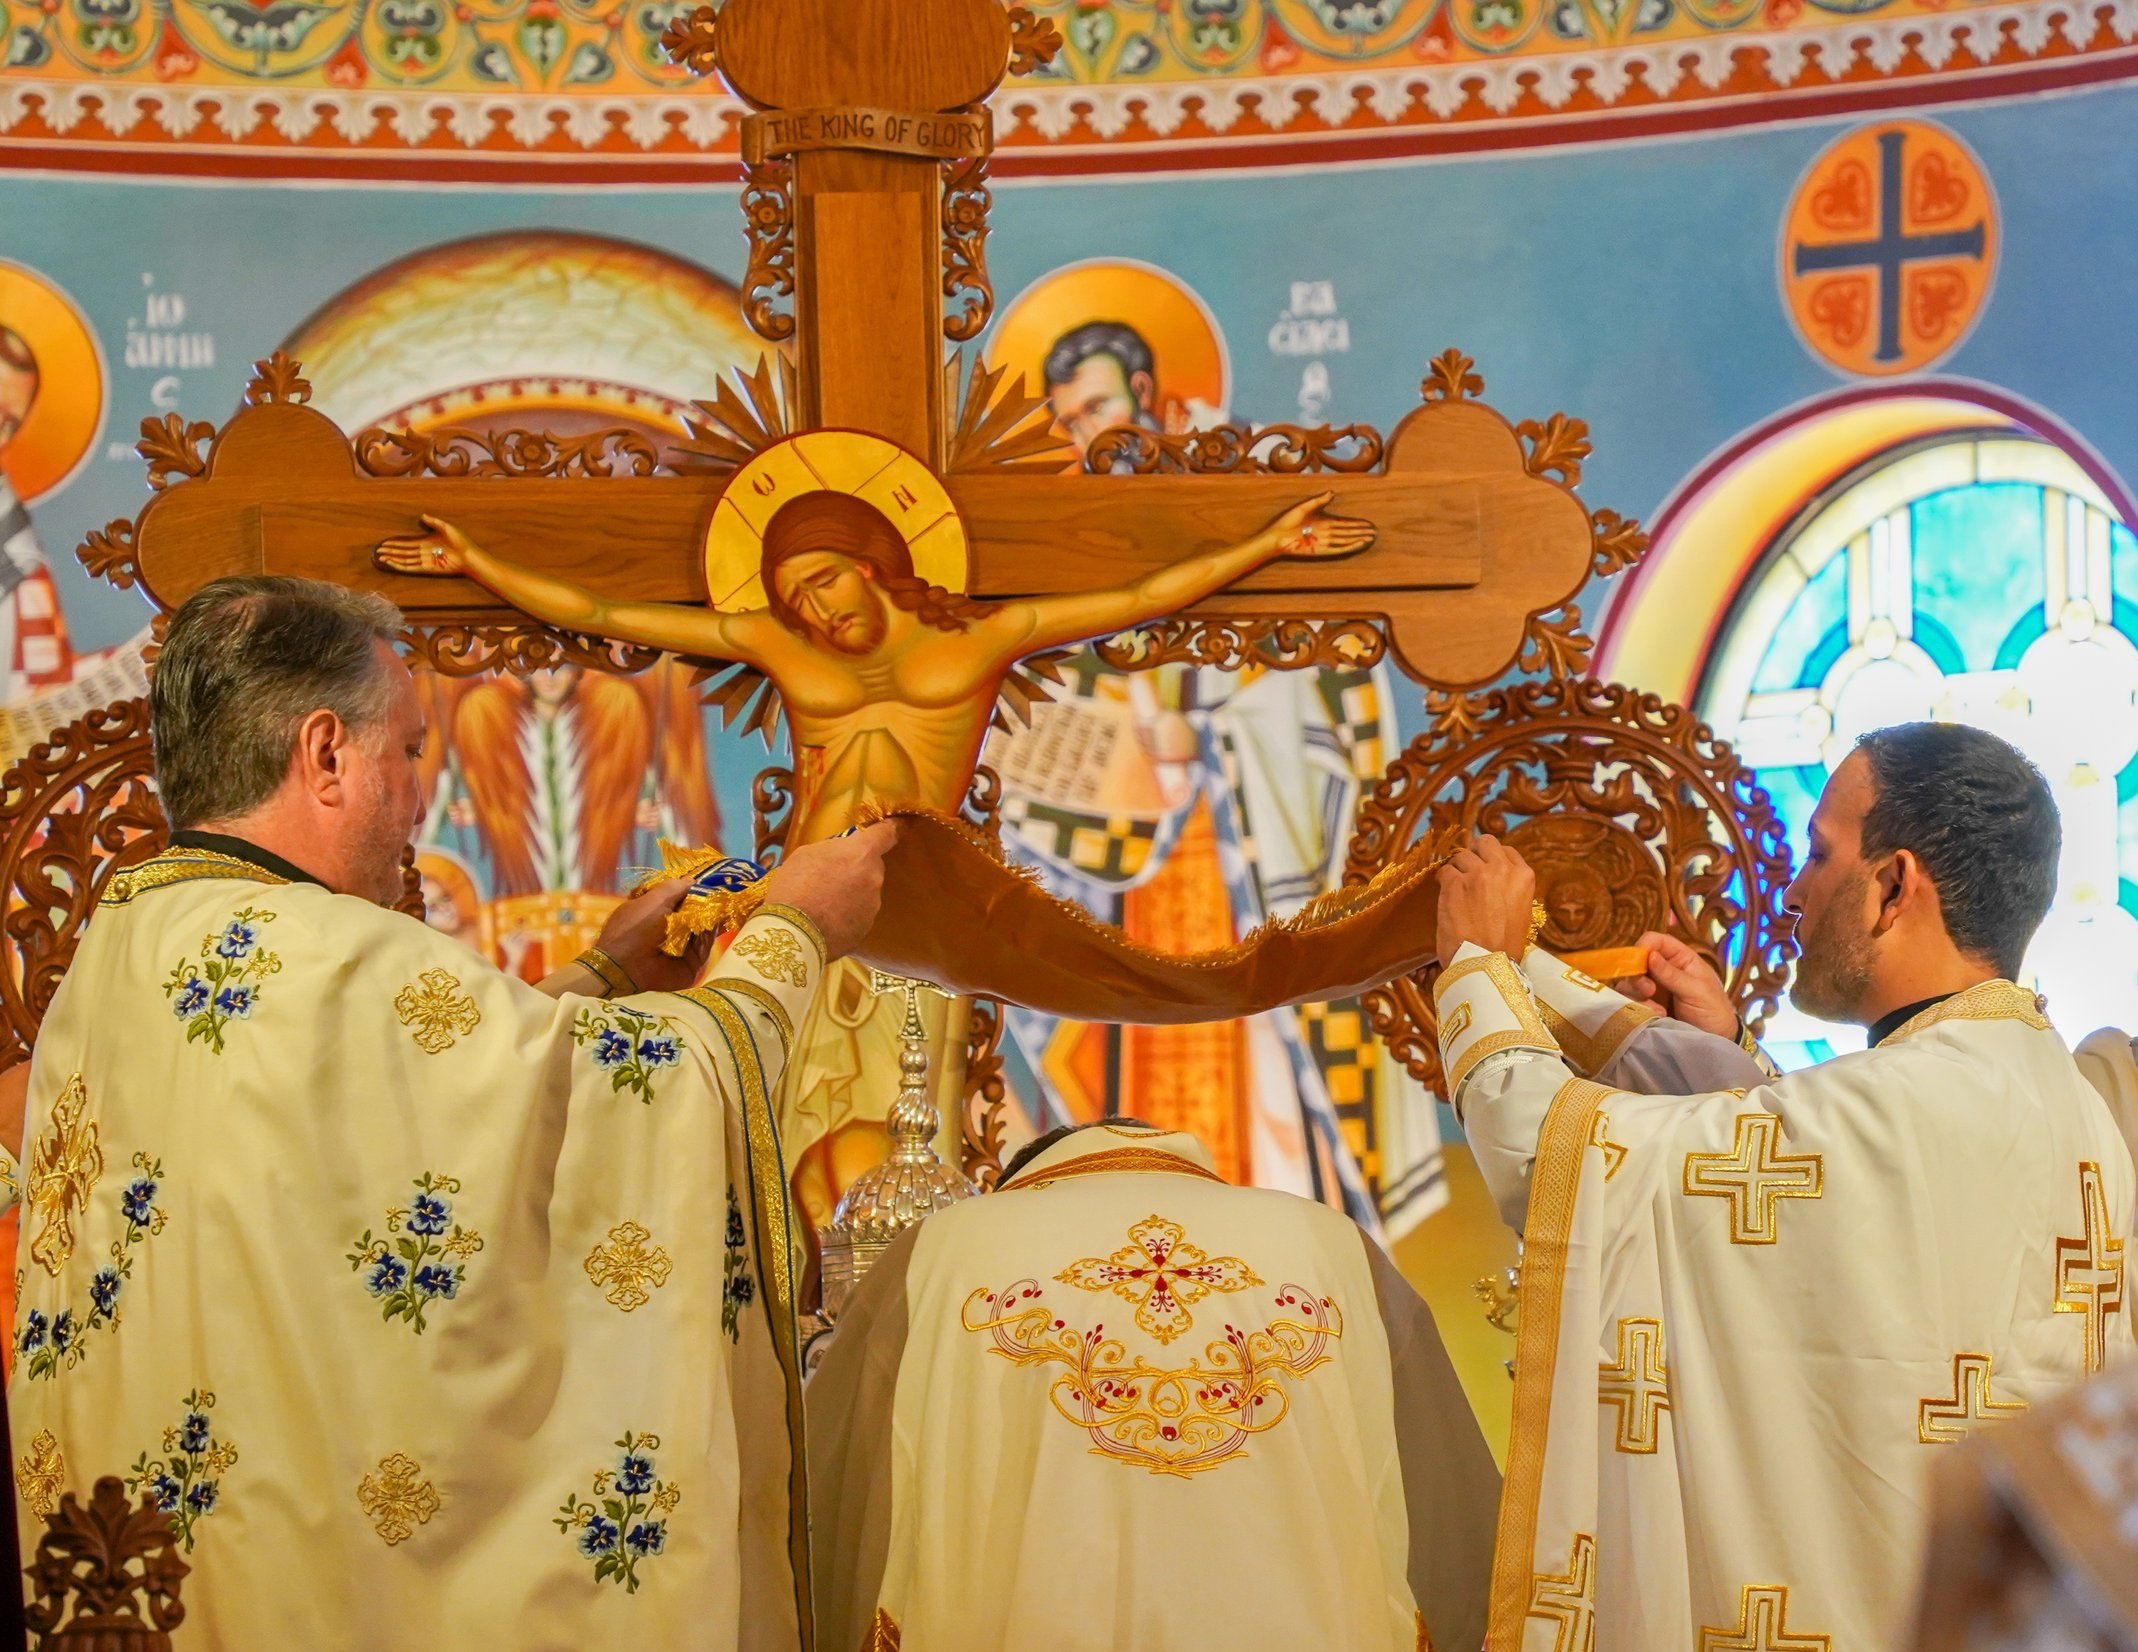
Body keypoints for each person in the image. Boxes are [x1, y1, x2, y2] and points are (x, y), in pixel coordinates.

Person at [4, 574, 894, 1649]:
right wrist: (796, 930)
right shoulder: (330, 957)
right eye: (410, 750)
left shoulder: (131, 943)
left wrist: (603, 976)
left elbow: (422, 1115)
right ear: (326, 752)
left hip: (160, 1580)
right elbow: (649, 1095)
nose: (418, 795)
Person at [1429, 721, 2134, 1651]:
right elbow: (1833, 1216)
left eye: (1817, 855)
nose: (1795, 894)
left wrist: (1476, 968)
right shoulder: (2071, 1106)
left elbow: (1549, 1156)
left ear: (1891, 886)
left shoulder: (1895, 1106)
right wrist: (1708, 1060)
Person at [805, 1118, 1500, 1652]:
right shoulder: (1331, 1245)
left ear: (1021, 1180)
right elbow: (1448, 1525)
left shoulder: (945, 1252)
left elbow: (829, 1508)